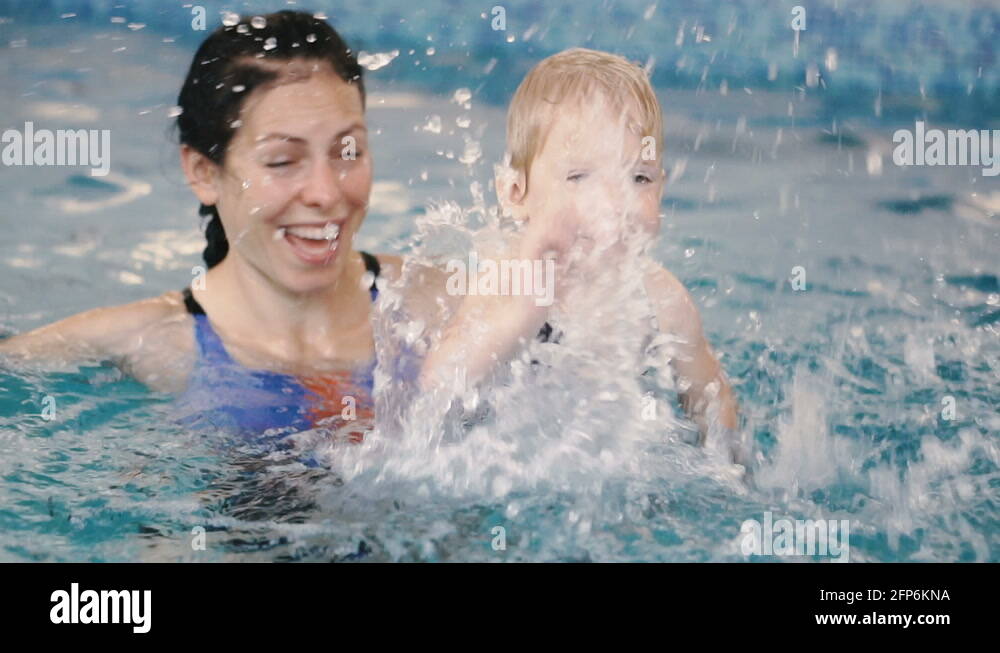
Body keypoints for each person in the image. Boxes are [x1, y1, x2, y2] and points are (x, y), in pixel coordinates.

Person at [0, 11, 403, 441]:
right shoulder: (156, 343)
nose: (325, 193)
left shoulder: (421, 303)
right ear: (203, 173)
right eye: (283, 161)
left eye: (348, 151)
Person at [418, 48, 750, 465]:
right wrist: (521, 315)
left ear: (661, 190)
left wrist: (730, 471)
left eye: (638, 177)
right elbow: (437, 386)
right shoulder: (505, 281)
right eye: (580, 177)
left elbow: (711, 399)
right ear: (515, 194)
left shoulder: (660, 298)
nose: (614, 203)